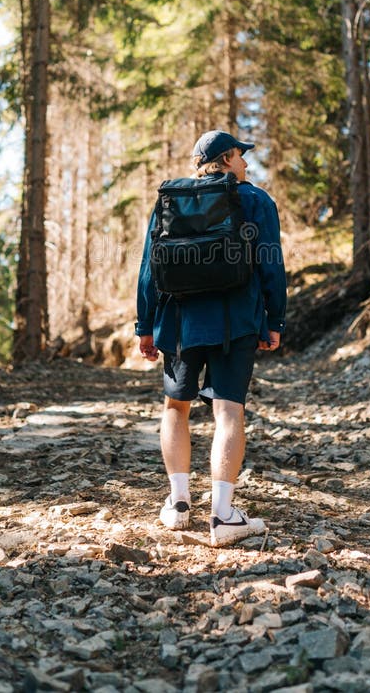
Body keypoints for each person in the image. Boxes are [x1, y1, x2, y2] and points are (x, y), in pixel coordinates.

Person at [135, 130, 287, 547]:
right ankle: (223, 515)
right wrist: (275, 320)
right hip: (235, 320)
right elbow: (271, 263)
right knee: (228, 412)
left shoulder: (171, 199)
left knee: (175, 409)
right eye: (241, 156)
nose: (246, 164)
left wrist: (144, 324)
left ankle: (179, 504)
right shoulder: (255, 200)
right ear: (226, 158)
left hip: (179, 321)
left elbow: (150, 266)